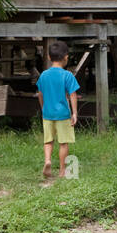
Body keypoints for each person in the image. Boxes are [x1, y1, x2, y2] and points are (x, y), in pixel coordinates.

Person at [36, 41, 79, 178]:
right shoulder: (67, 75)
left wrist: (43, 108)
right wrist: (74, 113)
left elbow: (40, 94)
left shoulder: (43, 75)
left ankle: (48, 160)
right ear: (66, 57)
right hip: (63, 115)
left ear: (49, 57)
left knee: (48, 141)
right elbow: (72, 95)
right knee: (63, 143)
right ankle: (62, 171)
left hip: (47, 114)